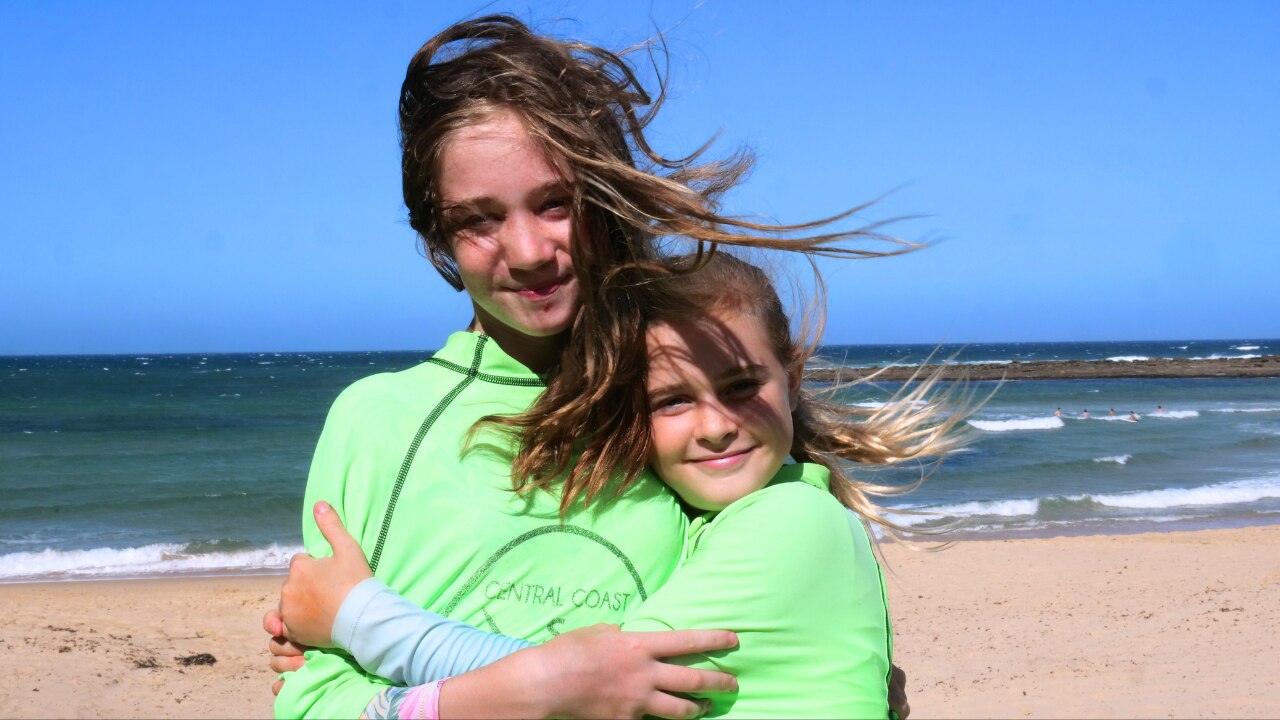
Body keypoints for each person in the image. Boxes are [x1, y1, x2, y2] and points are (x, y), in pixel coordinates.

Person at [266, 15, 914, 720]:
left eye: (555, 203)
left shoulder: (671, 408)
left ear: (603, 199)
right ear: (437, 239)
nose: (528, 250)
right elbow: (316, 703)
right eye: (478, 220)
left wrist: (366, 621)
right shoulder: (380, 423)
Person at [272, 253, 964, 718]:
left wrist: (361, 623)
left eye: (741, 385)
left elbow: (592, 685)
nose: (716, 426)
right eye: (672, 401)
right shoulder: (706, 524)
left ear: (793, 378)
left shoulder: (794, 522)